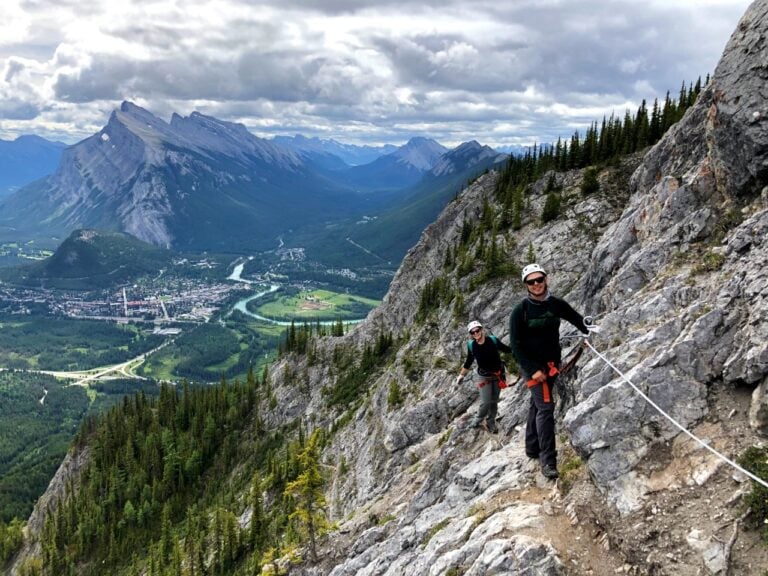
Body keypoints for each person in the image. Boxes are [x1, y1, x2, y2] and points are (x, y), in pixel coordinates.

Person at [508, 264, 589, 479]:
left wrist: (589, 332)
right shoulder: (521, 311)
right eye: (531, 282)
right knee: (546, 408)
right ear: (526, 285)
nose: (536, 284)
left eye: (539, 280)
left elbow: (576, 319)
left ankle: (531, 447)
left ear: (546, 279)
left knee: (537, 404)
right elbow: (515, 345)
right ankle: (548, 461)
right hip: (533, 368)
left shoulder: (556, 304)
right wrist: (532, 370)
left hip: (552, 363)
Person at [455, 320, 512, 434]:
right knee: (486, 402)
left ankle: (491, 422)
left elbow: (507, 349)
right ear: (471, 334)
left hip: (498, 375)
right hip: (484, 377)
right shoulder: (472, 346)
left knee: (494, 401)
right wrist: (461, 375)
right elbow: (468, 361)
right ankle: (478, 419)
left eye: (477, 330)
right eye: (473, 332)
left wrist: (520, 351)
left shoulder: (493, 340)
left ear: (482, 329)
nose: (476, 333)